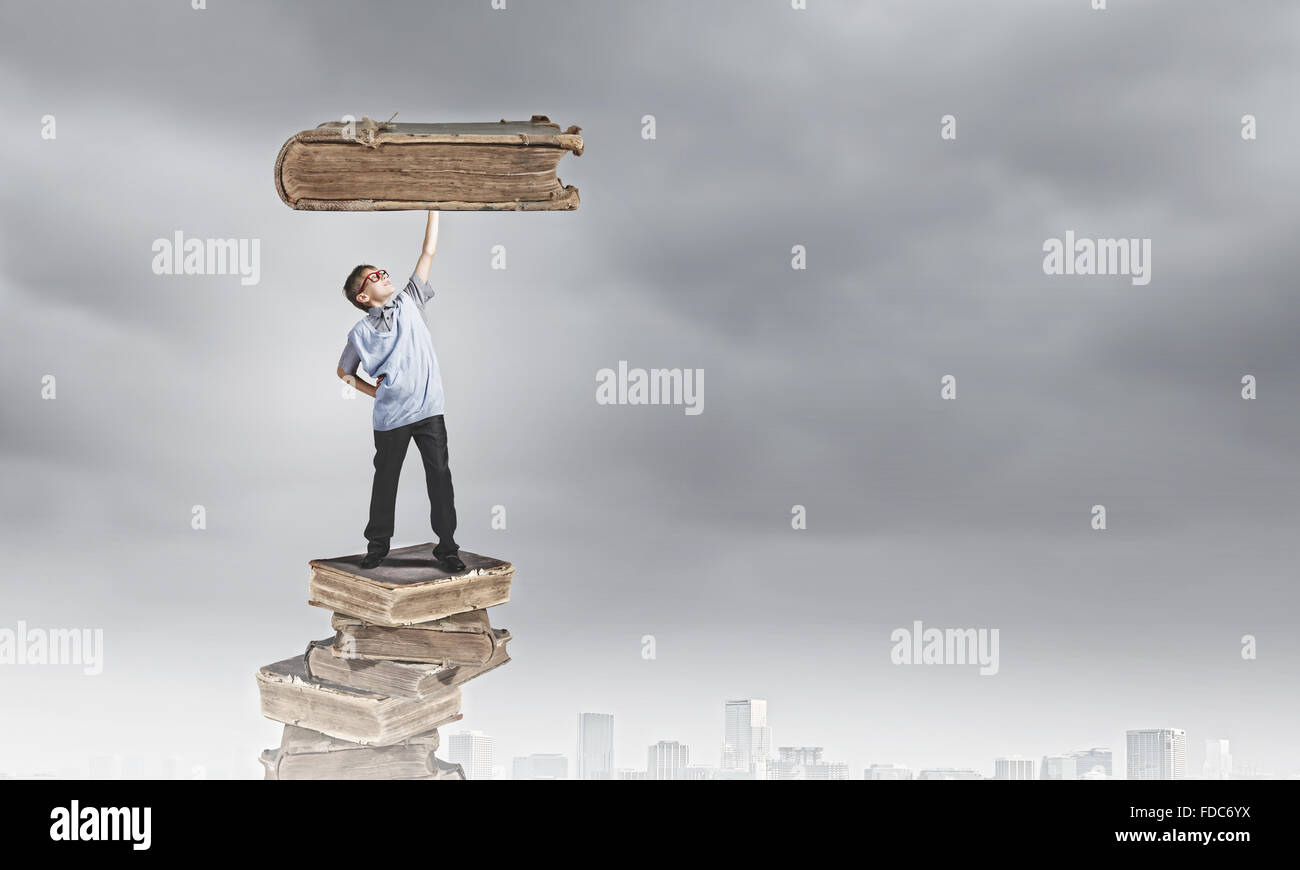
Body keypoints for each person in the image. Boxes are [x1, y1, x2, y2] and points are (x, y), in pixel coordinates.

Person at [336, 211, 464, 572]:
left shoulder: (410, 301)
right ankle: (377, 546)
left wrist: (433, 206)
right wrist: (372, 393)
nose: (384, 275)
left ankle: (448, 547)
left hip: (429, 411)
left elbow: (428, 252)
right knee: (386, 480)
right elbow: (343, 371)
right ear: (363, 296)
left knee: (439, 475)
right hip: (391, 417)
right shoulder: (360, 333)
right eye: (374, 276)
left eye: (383, 271)